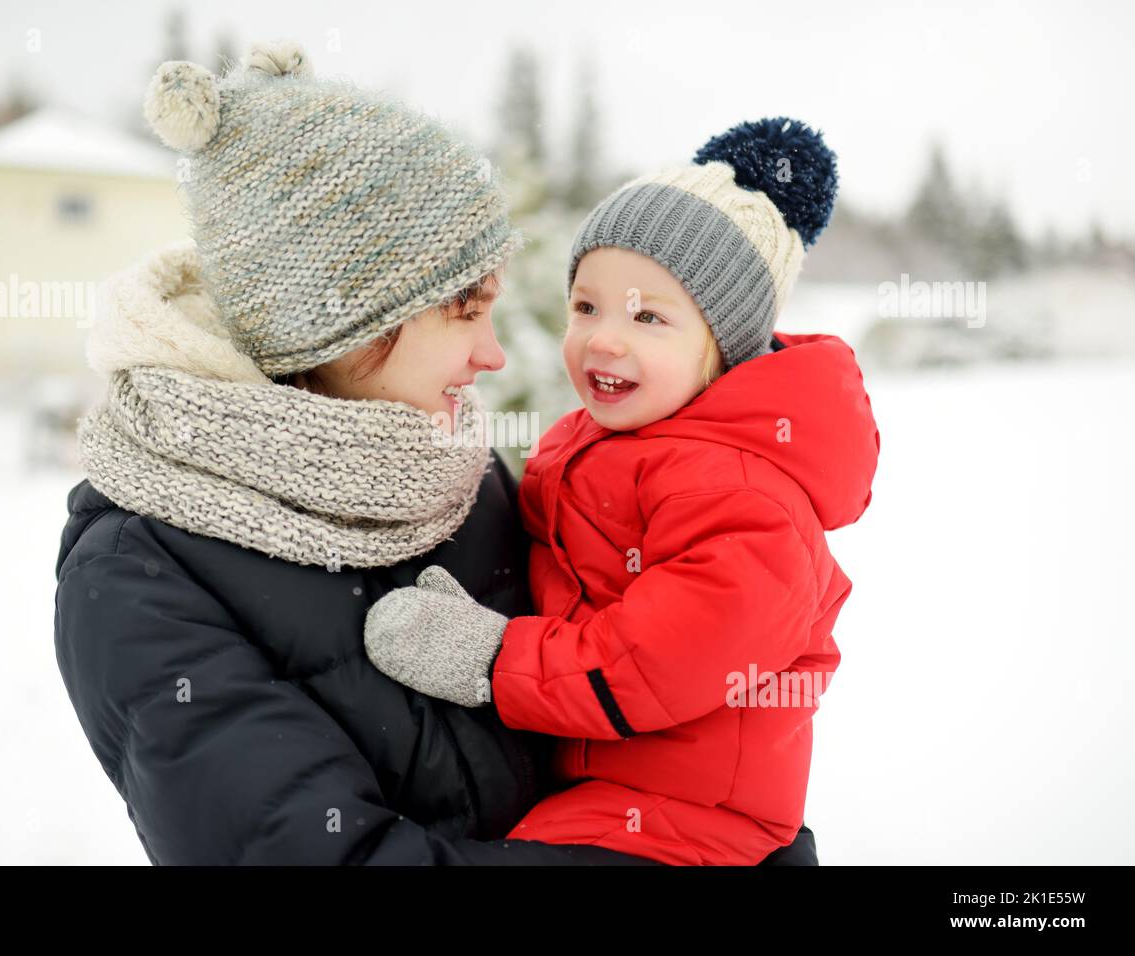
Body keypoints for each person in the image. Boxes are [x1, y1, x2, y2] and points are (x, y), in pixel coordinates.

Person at [53, 38, 667, 866]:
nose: (495, 356)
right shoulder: (140, 574)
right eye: (461, 309)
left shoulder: (452, 469)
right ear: (340, 320)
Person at [365, 118, 881, 865]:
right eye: (586, 307)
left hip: (687, 822)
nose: (604, 338)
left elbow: (654, 661)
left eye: (648, 317)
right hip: (591, 792)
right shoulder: (588, 442)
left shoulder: (745, 495)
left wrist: (489, 656)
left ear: (724, 348)